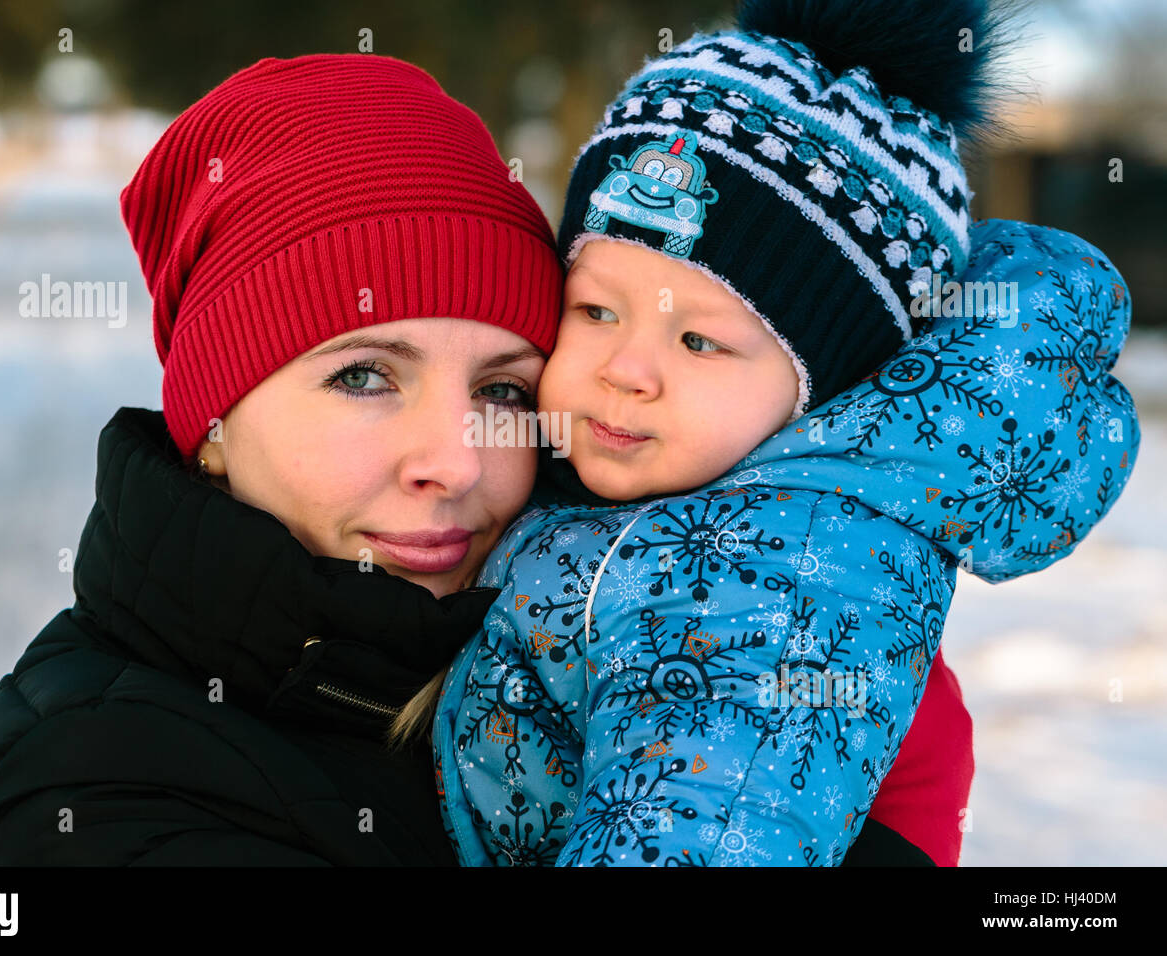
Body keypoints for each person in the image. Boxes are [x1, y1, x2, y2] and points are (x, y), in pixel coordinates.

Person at [433, 0, 1142, 865]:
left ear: (822, 393)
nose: (626, 369)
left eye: (700, 341)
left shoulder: (784, 583)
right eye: (597, 310)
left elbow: (699, 833)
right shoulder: (593, 487)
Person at [0, 52, 566, 865]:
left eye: (503, 391)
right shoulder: (89, 788)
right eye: (364, 376)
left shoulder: (557, 670)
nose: (459, 462)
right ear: (213, 426)